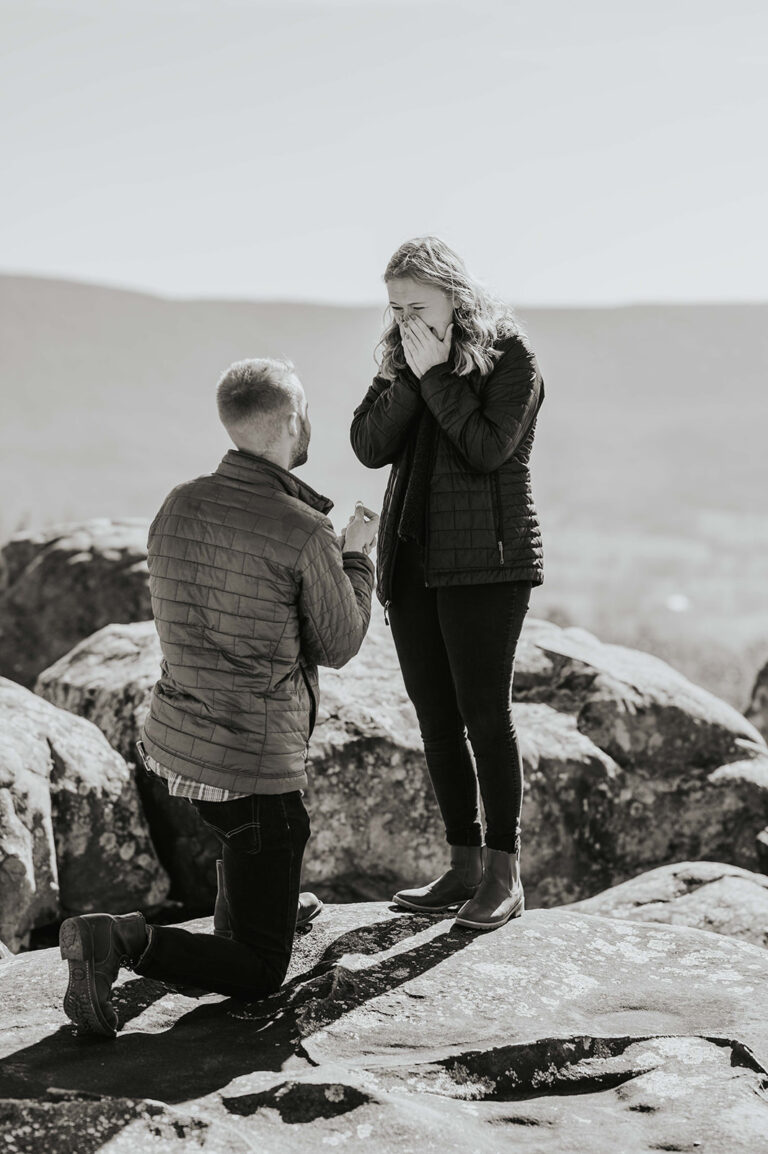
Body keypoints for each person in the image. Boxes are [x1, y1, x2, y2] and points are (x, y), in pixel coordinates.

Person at [59, 356, 379, 1037]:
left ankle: (268, 904)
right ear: (292, 420)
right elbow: (340, 643)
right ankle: (120, 942)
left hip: (178, 745)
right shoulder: (300, 529)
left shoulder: (177, 504)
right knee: (262, 969)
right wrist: (356, 555)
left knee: (250, 849)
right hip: (252, 765)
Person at [350, 236, 544, 931]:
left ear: (456, 298)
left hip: (489, 567)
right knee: (436, 720)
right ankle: (461, 864)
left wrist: (437, 377)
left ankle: (503, 872)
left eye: (418, 305)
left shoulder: (510, 359)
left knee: (486, 717)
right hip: (415, 565)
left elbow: (489, 449)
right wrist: (410, 375)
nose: (405, 318)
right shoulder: (403, 358)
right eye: (396, 306)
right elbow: (368, 446)